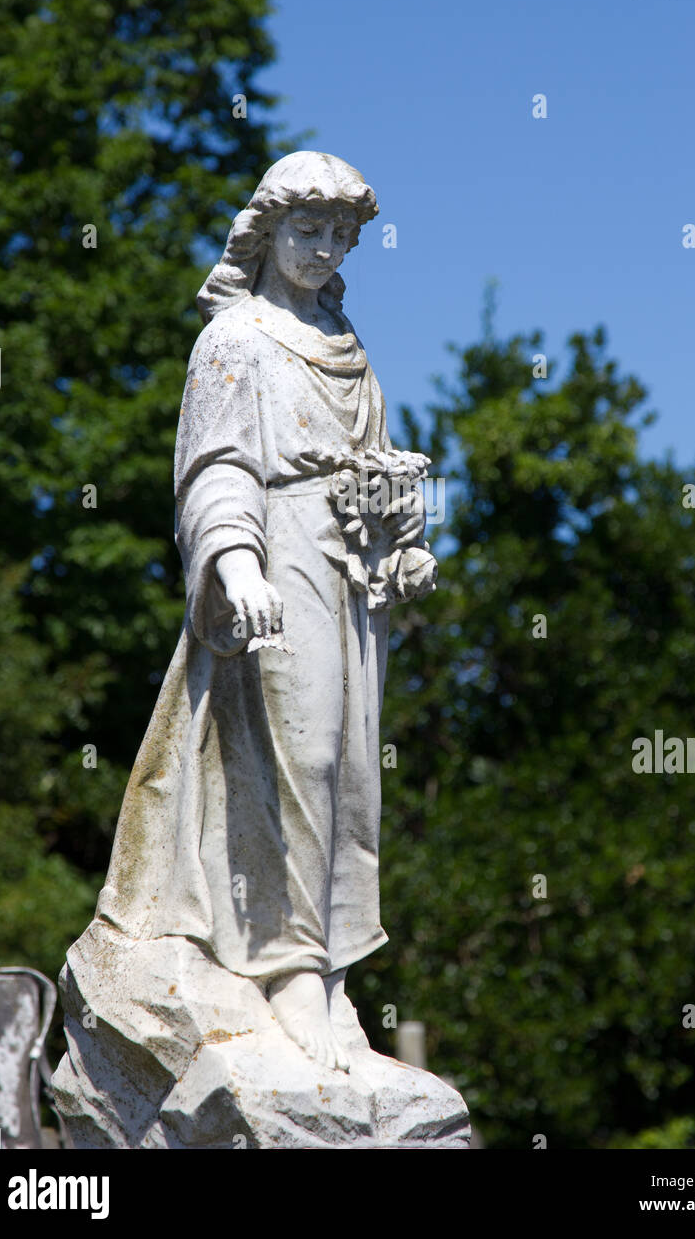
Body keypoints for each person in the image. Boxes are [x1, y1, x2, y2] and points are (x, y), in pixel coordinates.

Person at [95, 152, 437, 1072]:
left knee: (353, 773)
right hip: (277, 563)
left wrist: (402, 542)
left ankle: (325, 965)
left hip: (348, 578)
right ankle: (286, 966)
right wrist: (237, 567)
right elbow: (216, 467)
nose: (323, 250)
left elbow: (378, 470)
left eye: (338, 236)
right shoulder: (237, 338)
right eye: (306, 231)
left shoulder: (348, 348)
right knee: (303, 754)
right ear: (268, 232)